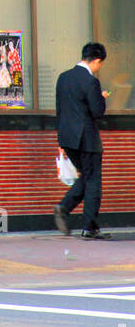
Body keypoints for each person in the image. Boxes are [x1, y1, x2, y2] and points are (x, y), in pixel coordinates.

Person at [53, 42, 111, 241]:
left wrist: (60, 140)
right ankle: (90, 227)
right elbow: (97, 111)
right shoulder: (90, 81)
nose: (98, 68)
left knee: (86, 177)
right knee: (93, 180)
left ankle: (64, 208)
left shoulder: (63, 78)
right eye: (100, 64)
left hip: (67, 138)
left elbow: (60, 110)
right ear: (96, 60)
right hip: (87, 138)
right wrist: (102, 98)